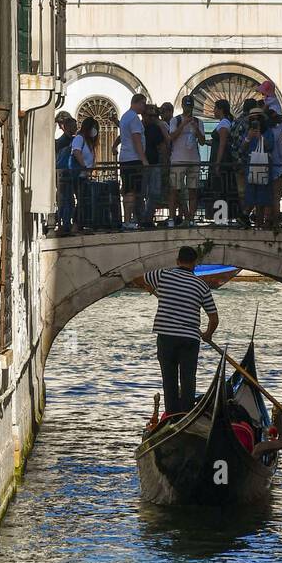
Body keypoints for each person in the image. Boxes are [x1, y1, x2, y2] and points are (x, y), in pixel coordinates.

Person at [135, 247, 219, 416]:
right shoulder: (201, 285)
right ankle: (187, 414)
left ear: (177, 261)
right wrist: (207, 334)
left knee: (169, 378)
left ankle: (173, 414)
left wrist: (150, 289)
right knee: (188, 378)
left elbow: (137, 278)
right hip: (190, 338)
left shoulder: (162, 275)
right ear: (195, 264)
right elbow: (214, 318)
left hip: (166, 336)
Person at [168, 95, 205, 227]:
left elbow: (202, 141)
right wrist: (183, 124)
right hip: (178, 160)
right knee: (175, 190)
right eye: (186, 106)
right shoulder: (175, 120)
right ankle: (172, 218)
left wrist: (196, 129)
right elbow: (171, 137)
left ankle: (191, 218)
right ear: (182, 106)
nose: (188, 108)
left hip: (194, 160)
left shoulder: (198, 122)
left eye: (190, 106)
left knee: (193, 190)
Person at [230, 98, 260, 227]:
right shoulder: (251, 123)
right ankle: (248, 216)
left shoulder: (236, 121)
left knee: (242, 191)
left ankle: (244, 216)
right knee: (254, 189)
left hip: (236, 160)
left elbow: (231, 140)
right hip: (248, 160)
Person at [119, 93, 148, 229]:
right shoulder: (134, 118)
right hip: (133, 159)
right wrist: (143, 159)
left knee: (128, 190)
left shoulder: (125, 116)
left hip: (125, 158)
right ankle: (128, 220)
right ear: (136, 103)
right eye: (143, 103)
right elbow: (137, 139)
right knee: (132, 191)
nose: (144, 107)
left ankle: (128, 219)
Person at [242, 111, 275, 228]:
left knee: (262, 197)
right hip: (251, 166)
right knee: (251, 194)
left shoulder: (267, 132)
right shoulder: (248, 132)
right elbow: (243, 148)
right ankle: (249, 218)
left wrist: (260, 137)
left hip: (263, 166)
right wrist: (248, 138)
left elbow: (270, 146)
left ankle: (260, 223)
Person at [140, 105, 170, 228]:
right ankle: (141, 219)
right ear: (143, 115)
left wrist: (166, 160)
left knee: (155, 193)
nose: (152, 118)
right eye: (150, 115)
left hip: (155, 164)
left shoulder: (156, 128)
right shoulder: (138, 126)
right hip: (141, 165)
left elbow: (162, 145)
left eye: (154, 115)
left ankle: (147, 218)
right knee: (141, 193)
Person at [209, 98, 236, 222]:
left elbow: (222, 144)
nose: (213, 111)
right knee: (220, 189)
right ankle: (220, 218)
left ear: (220, 110)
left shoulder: (224, 123)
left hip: (222, 161)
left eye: (215, 108)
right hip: (221, 159)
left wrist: (217, 163)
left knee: (221, 189)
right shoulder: (224, 123)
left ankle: (221, 218)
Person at [70, 117, 98, 231]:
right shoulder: (79, 138)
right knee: (81, 200)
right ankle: (76, 224)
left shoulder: (89, 141)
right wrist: (84, 166)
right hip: (78, 175)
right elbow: (76, 152)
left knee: (85, 199)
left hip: (85, 176)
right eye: (94, 128)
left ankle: (81, 223)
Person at [55, 113, 78, 234]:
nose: (75, 128)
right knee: (65, 199)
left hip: (70, 173)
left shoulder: (71, 140)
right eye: (73, 126)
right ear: (67, 127)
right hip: (63, 173)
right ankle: (65, 223)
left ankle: (67, 223)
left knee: (69, 200)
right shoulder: (63, 142)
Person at [268, 109, 282, 229]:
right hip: (277, 169)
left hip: (265, 169)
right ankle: (275, 222)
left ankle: (266, 221)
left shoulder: (264, 132)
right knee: (276, 196)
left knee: (267, 196)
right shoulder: (277, 134)